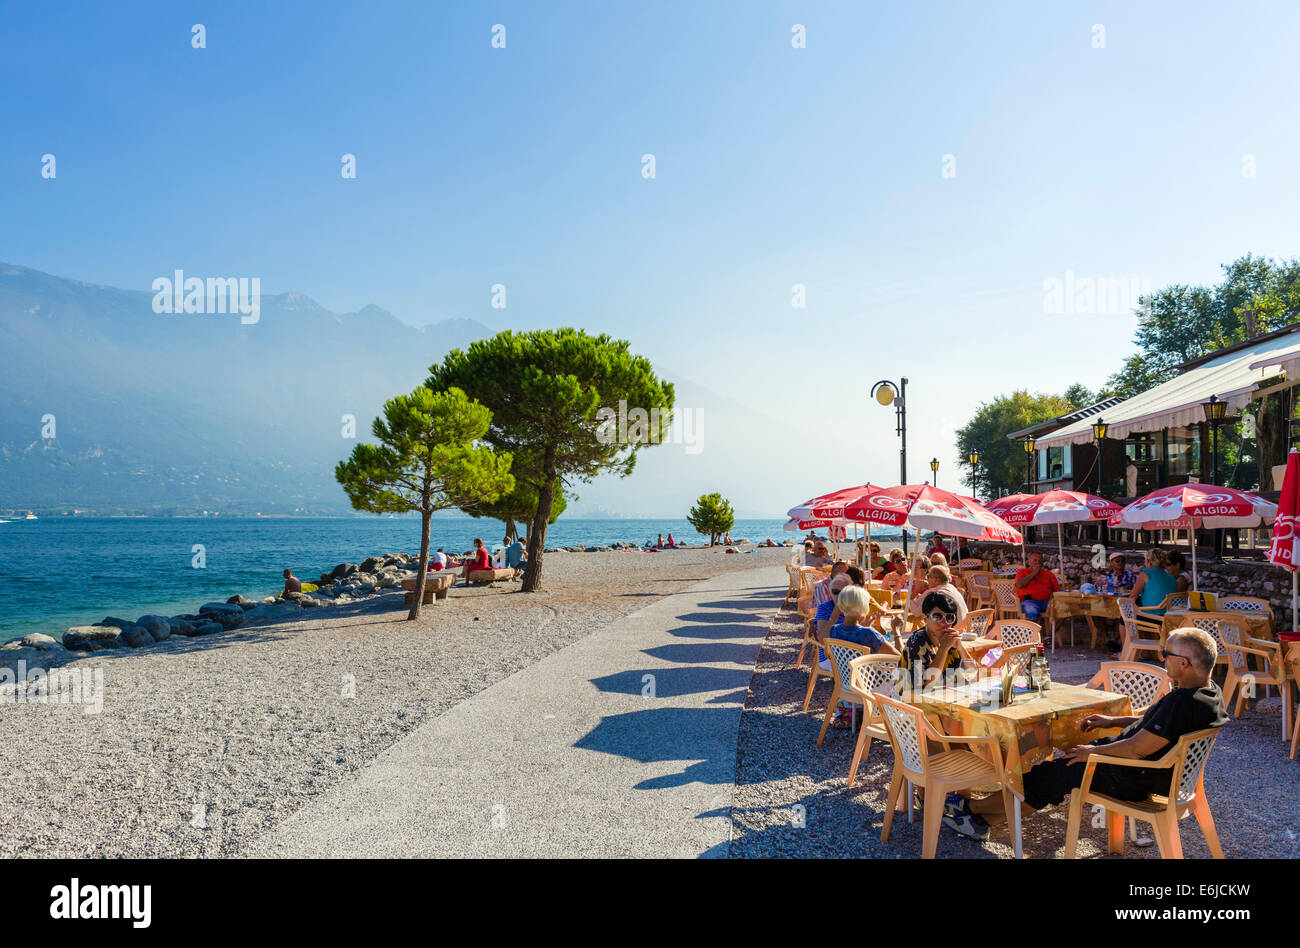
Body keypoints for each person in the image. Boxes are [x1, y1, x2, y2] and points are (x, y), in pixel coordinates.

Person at [960, 628, 1228, 840]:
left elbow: (1137, 748)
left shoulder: (1182, 702)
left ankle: (969, 810)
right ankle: (983, 818)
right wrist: (1113, 720)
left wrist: (1093, 752)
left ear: (1183, 663)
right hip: (1145, 771)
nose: (1162, 657)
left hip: (1130, 776)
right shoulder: (1209, 693)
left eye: (1165, 653)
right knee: (1053, 774)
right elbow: (1155, 725)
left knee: (1048, 776)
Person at [896, 590, 965, 693]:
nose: (944, 622)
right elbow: (923, 686)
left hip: (940, 699)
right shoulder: (917, 641)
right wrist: (943, 648)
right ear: (925, 619)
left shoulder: (950, 641)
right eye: (937, 616)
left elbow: (972, 674)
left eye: (949, 617)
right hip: (908, 703)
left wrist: (960, 647)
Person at [1014, 551, 1061, 622]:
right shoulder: (1022, 572)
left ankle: (1054, 631)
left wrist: (1051, 601)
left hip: (1046, 602)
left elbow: (1057, 591)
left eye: (1040, 561)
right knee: (1032, 612)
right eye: (1035, 560)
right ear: (1029, 562)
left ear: (1042, 563)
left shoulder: (1049, 574)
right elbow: (1019, 585)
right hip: (1029, 602)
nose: (1038, 562)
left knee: (1064, 610)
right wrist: (1035, 573)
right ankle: (1034, 632)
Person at [1131, 548, 1178, 615]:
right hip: (1168, 618)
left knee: (1123, 617)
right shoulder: (1171, 577)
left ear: (1149, 561)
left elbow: (1132, 597)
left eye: (1145, 561)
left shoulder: (1146, 573)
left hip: (1152, 617)